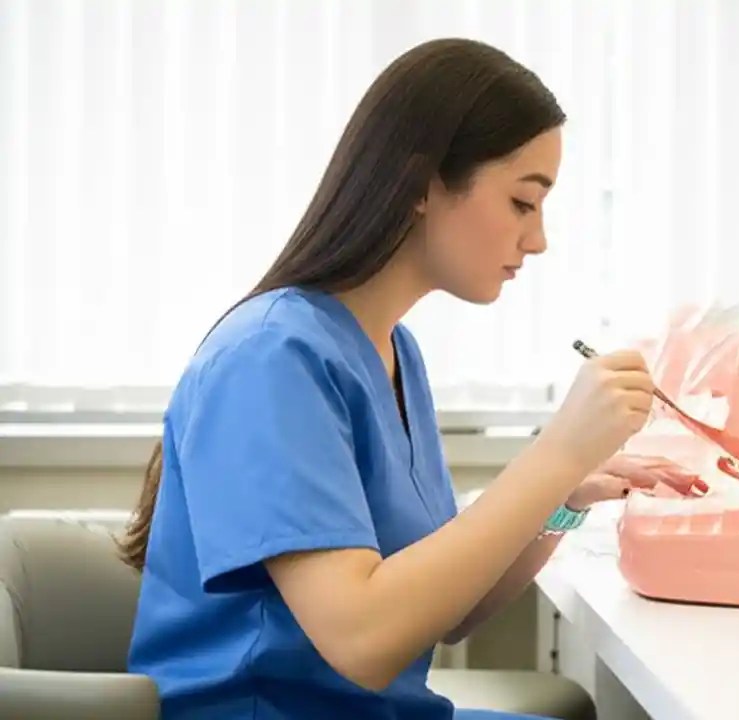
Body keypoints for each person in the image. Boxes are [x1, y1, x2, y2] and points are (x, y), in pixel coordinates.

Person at [121, 37, 703, 720]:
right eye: (523, 202)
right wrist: (558, 452)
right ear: (424, 186)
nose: (539, 239)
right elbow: (365, 639)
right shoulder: (272, 357)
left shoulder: (393, 353)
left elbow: (449, 611)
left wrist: (567, 494)